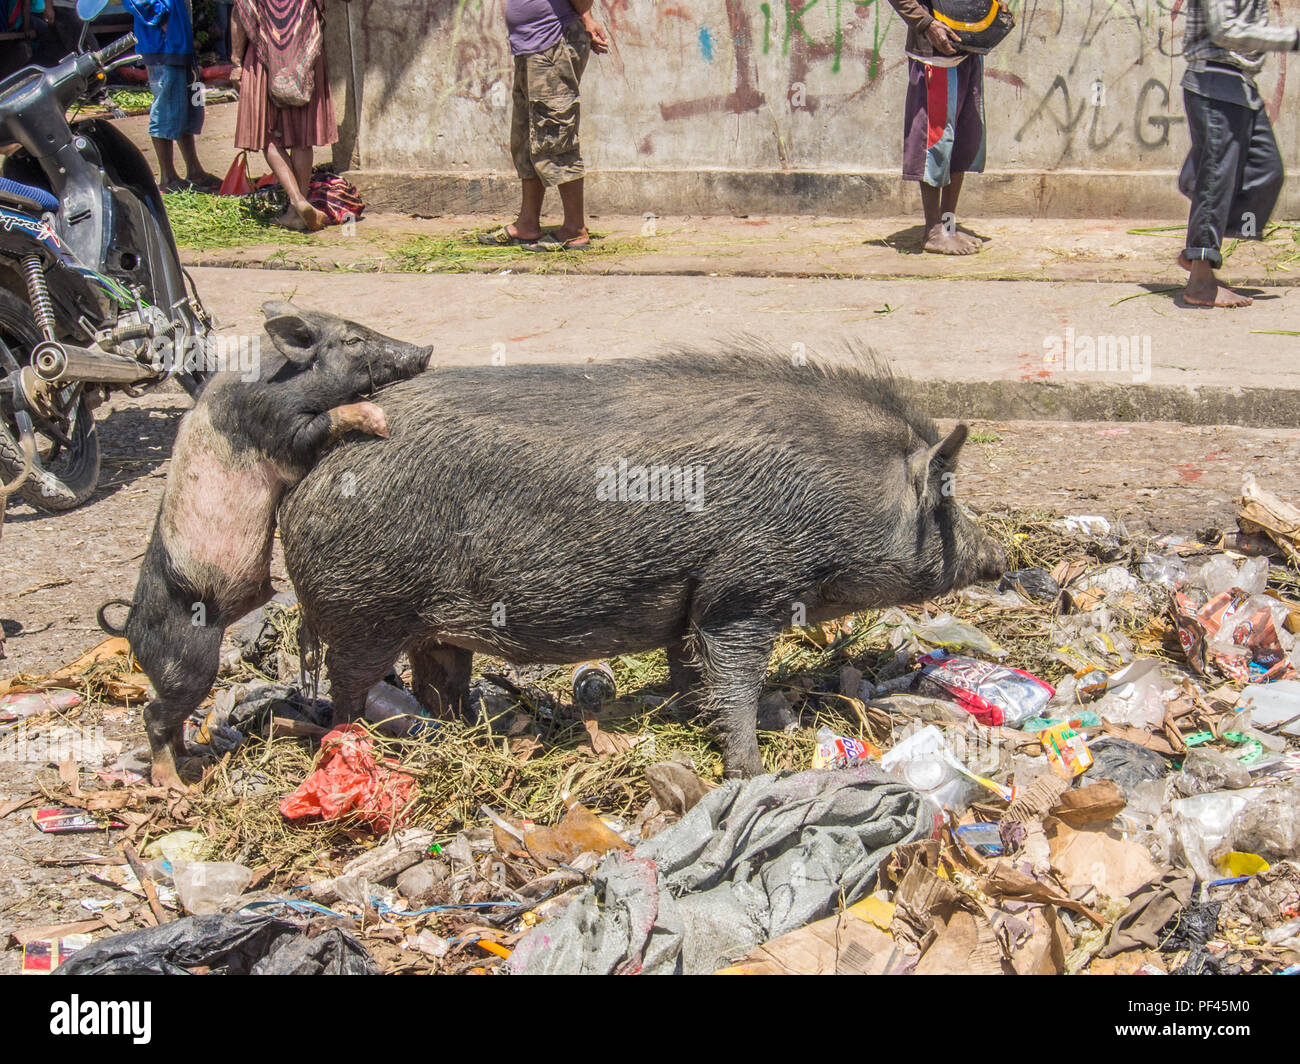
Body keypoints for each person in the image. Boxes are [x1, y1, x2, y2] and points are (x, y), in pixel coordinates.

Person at [1178, 0, 1299, 308]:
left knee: (1266, 170)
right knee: (1216, 177)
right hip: (1213, 82)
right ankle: (1201, 279)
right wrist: (1291, 38)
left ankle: (1199, 247)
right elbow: (1223, 29)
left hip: (1242, 86)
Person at [478, 0, 609, 251]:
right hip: (531, 47)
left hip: (553, 45)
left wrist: (586, 18)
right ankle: (527, 223)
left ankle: (574, 229)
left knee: (556, 135)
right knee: (528, 135)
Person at [230, 0, 342, 231]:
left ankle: (297, 201)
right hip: (304, 56)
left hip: (264, 59)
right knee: (302, 138)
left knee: (268, 136)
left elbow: (241, 15)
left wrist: (236, 62)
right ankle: (297, 210)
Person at [887, 1, 985, 255]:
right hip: (934, 57)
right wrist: (926, 24)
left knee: (963, 143)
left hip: (968, 48)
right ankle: (932, 231)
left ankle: (948, 226)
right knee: (935, 142)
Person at [122, 0, 219, 191]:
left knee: (185, 106)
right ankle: (168, 177)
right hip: (162, 44)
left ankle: (194, 170)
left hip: (178, 40)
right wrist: (163, 19)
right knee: (165, 107)